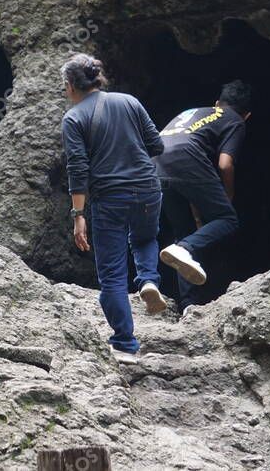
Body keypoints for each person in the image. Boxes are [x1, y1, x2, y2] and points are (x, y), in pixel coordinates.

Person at [60, 53, 166, 362]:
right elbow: (156, 145)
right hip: (148, 189)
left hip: (110, 198)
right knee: (145, 238)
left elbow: (77, 169)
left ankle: (125, 344)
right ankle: (148, 279)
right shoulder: (129, 102)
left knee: (112, 275)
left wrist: (78, 216)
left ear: (69, 86)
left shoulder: (74, 118)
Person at [154, 80, 253, 314]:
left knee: (185, 232)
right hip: (185, 157)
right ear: (247, 115)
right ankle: (186, 248)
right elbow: (225, 164)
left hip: (155, 161)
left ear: (217, 103)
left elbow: (192, 180)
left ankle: (188, 306)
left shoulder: (194, 113)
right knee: (227, 220)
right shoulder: (235, 120)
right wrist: (227, 197)